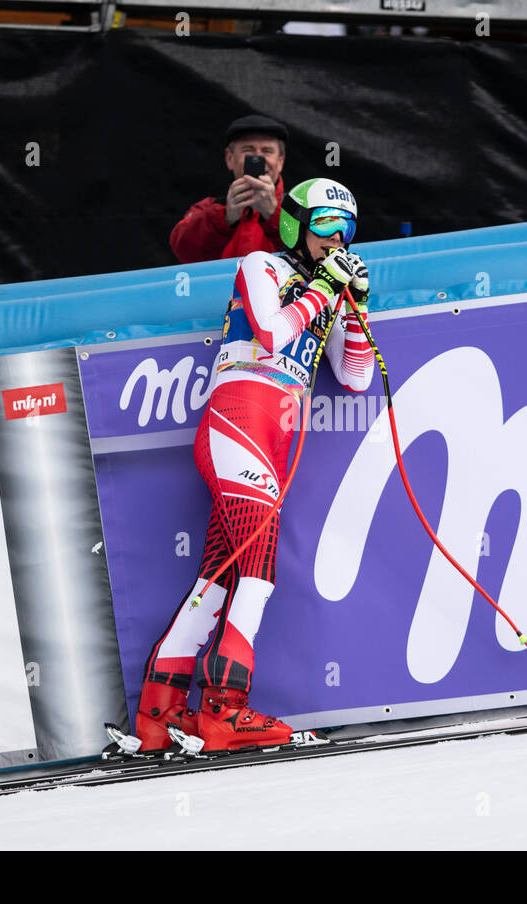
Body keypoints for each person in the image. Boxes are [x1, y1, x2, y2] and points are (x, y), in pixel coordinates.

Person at [137, 178, 375, 752]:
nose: (336, 238)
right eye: (323, 225)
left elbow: (356, 377)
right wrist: (324, 291)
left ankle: (159, 713)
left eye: (345, 228)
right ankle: (225, 710)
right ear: (294, 224)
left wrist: (356, 306)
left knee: (218, 577)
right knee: (259, 567)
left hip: (276, 432)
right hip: (239, 418)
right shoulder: (262, 266)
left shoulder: (329, 288)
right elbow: (269, 334)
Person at [169, 114, 289, 264]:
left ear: (280, 161)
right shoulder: (208, 209)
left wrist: (274, 217)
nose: (258, 157)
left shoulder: (302, 207)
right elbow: (183, 249)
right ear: (229, 158)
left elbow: (314, 252)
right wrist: (225, 219)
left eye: (267, 151)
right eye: (248, 150)